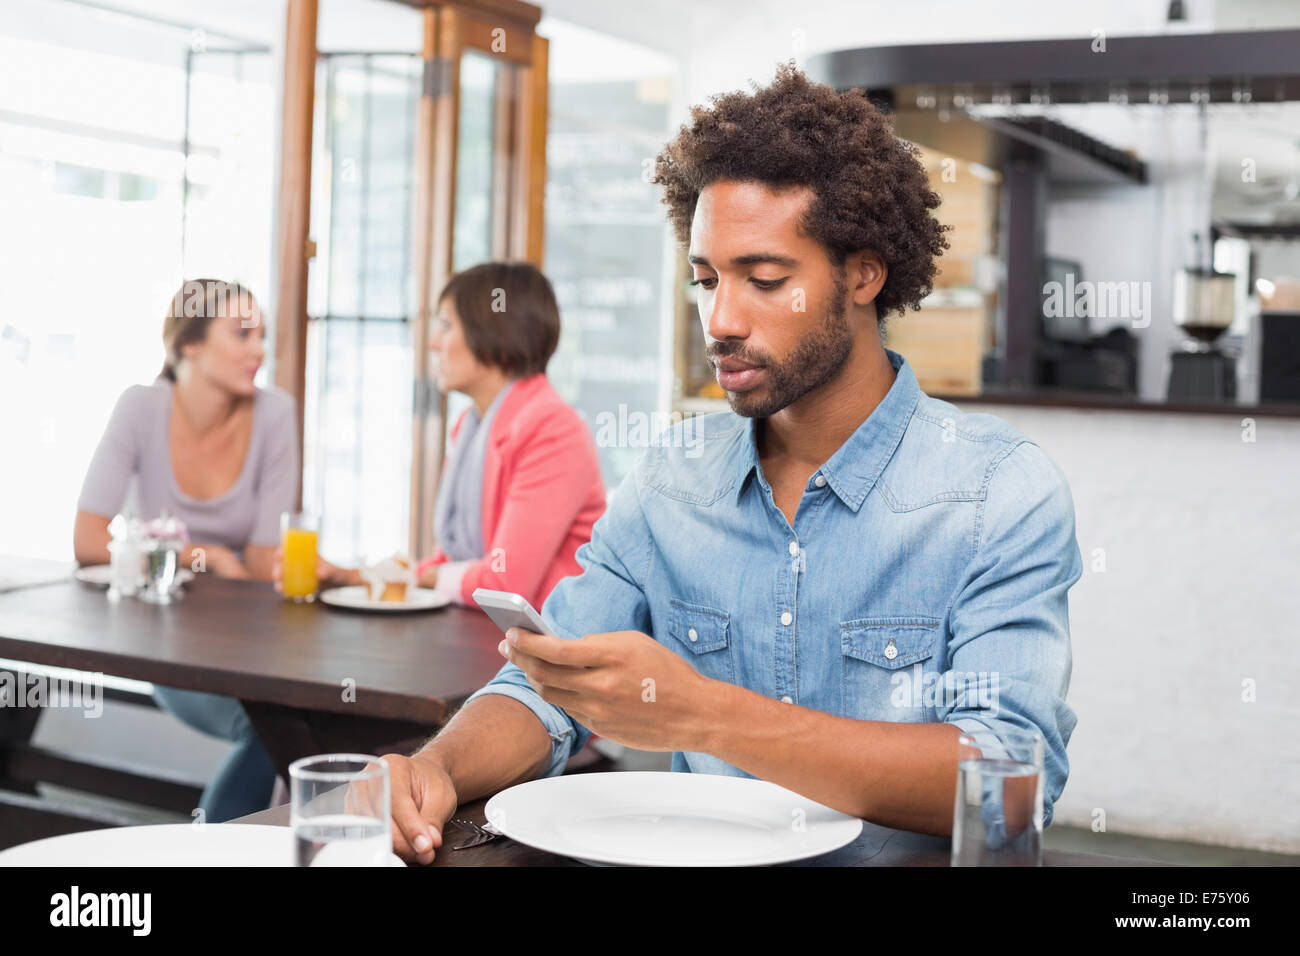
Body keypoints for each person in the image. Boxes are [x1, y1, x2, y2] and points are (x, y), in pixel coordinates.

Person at [380, 63, 1083, 865]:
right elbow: (543, 689)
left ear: (862, 273)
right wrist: (436, 766)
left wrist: (706, 715)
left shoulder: (998, 491)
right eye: (706, 279)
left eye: (765, 278)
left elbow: (1009, 782)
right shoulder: (672, 478)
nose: (719, 320)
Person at [75, 278, 295, 822]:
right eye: (242, 334)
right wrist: (212, 559)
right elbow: (87, 542)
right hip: (164, 641)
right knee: (270, 729)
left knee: (298, 720)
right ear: (188, 345)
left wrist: (199, 560)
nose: (259, 351)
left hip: (253, 640)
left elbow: (265, 566)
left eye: (263, 336)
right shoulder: (140, 408)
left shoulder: (276, 416)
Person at [281, 261, 606, 611]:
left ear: (495, 332)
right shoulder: (471, 426)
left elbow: (505, 583)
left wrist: (424, 578)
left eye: (447, 325)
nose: (434, 344)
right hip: (487, 636)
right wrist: (356, 576)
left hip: (551, 647)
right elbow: (449, 563)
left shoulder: (553, 429)